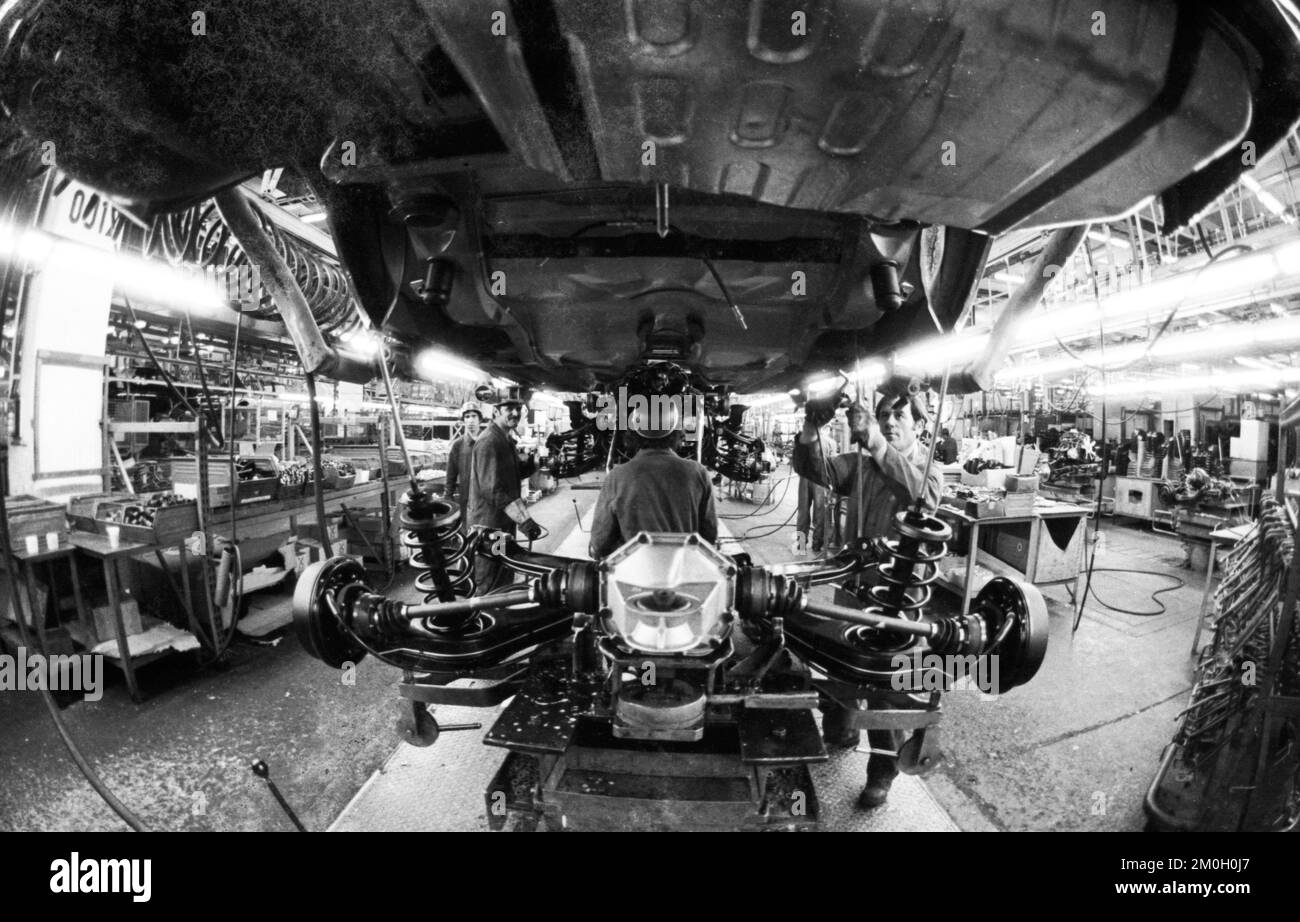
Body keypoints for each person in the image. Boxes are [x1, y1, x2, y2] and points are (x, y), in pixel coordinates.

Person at [793, 391, 943, 810]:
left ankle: (882, 773)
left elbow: (922, 497)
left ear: (918, 424)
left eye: (900, 416)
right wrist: (812, 427)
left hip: (896, 599)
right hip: (853, 583)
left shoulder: (928, 466)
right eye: (882, 415)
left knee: (884, 688)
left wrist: (876, 441)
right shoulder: (857, 464)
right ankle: (839, 729)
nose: (891, 421)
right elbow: (813, 469)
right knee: (837, 659)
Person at [589, 401, 718, 558]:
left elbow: (599, 543)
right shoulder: (698, 473)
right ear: (677, 432)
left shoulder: (617, 476)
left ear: (633, 434)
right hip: (684, 572)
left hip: (633, 575)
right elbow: (709, 536)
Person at [468, 394, 540, 592]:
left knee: (505, 568)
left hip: (503, 522)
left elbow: (511, 475)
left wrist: (534, 463)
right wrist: (524, 519)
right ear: (496, 412)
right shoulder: (489, 442)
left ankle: (499, 613)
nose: (515, 413)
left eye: (518, 408)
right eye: (509, 409)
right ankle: (486, 617)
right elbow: (492, 489)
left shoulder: (505, 439)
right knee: (492, 575)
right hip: (491, 526)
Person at [796, 424, 836, 555]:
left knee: (803, 511)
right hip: (820, 479)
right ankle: (816, 545)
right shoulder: (831, 443)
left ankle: (801, 545)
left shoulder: (805, 440)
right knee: (820, 512)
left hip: (805, 478)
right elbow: (833, 464)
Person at [443, 402, 483, 513]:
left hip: (487, 498)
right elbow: (451, 474)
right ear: (463, 420)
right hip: (466, 497)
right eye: (467, 417)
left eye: (474, 416)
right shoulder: (457, 445)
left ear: (480, 419)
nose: (471, 420)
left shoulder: (488, 442)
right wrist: (448, 496)